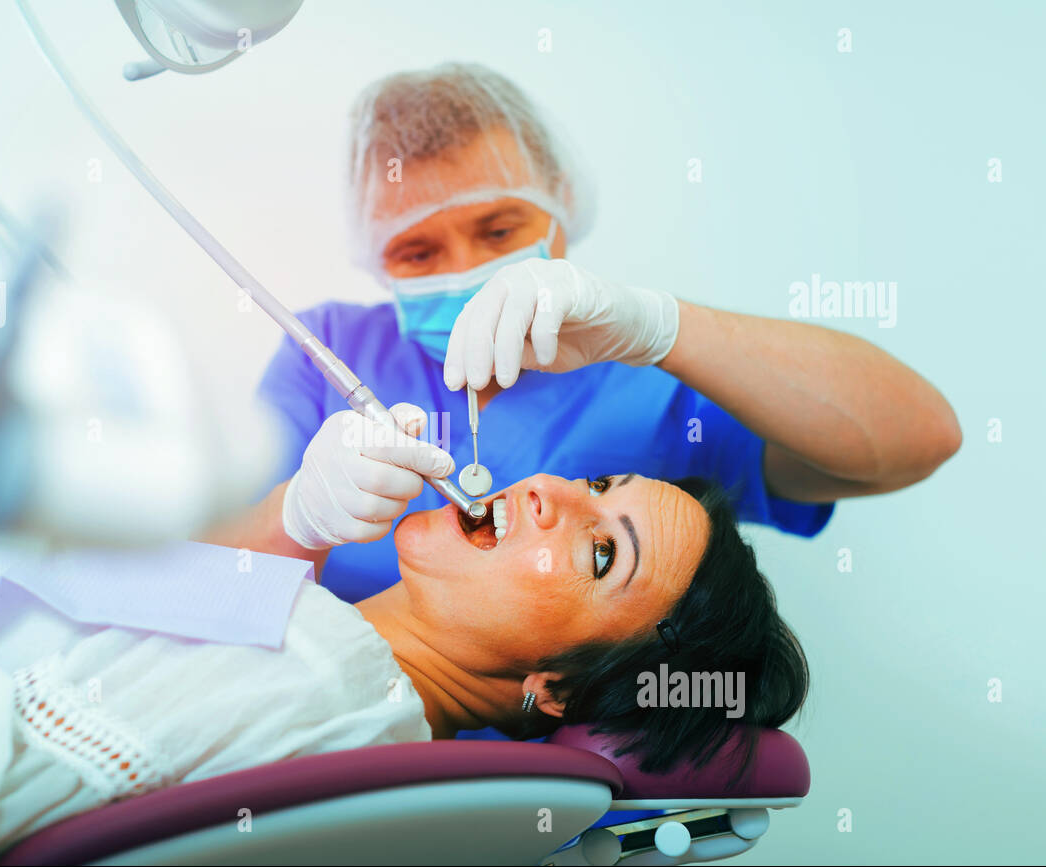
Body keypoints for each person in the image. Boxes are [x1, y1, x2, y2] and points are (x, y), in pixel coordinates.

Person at [0, 470, 805, 865]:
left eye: (598, 549)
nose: (551, 492)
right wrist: (296, 514)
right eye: (598, 481)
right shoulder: (330, 654)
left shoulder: (316, 673)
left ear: (556, 690)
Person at [244, 62, 961, 604]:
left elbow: (919, 438)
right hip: (338, 785)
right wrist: (299, 514)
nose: (465, 272)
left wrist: (661, 327)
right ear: (374, 256)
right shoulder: (325, 353)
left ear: (561, 206)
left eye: (498, 229)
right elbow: (192, 587)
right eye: (418, 251)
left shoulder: (660, 391)